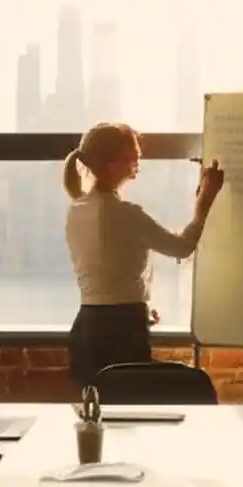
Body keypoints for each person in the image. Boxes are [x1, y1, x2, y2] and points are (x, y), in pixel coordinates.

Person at [63, 122, 225, 386]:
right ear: (112, 164)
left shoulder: (75, 210)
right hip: (122, 330)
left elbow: (105, 271)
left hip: (86, 328)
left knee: (98, 411)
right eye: (131, 160)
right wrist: (204, 202)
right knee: (132, 409)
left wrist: (136, 305)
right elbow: (181, 247)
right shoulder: (127, 214)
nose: (136, 167)